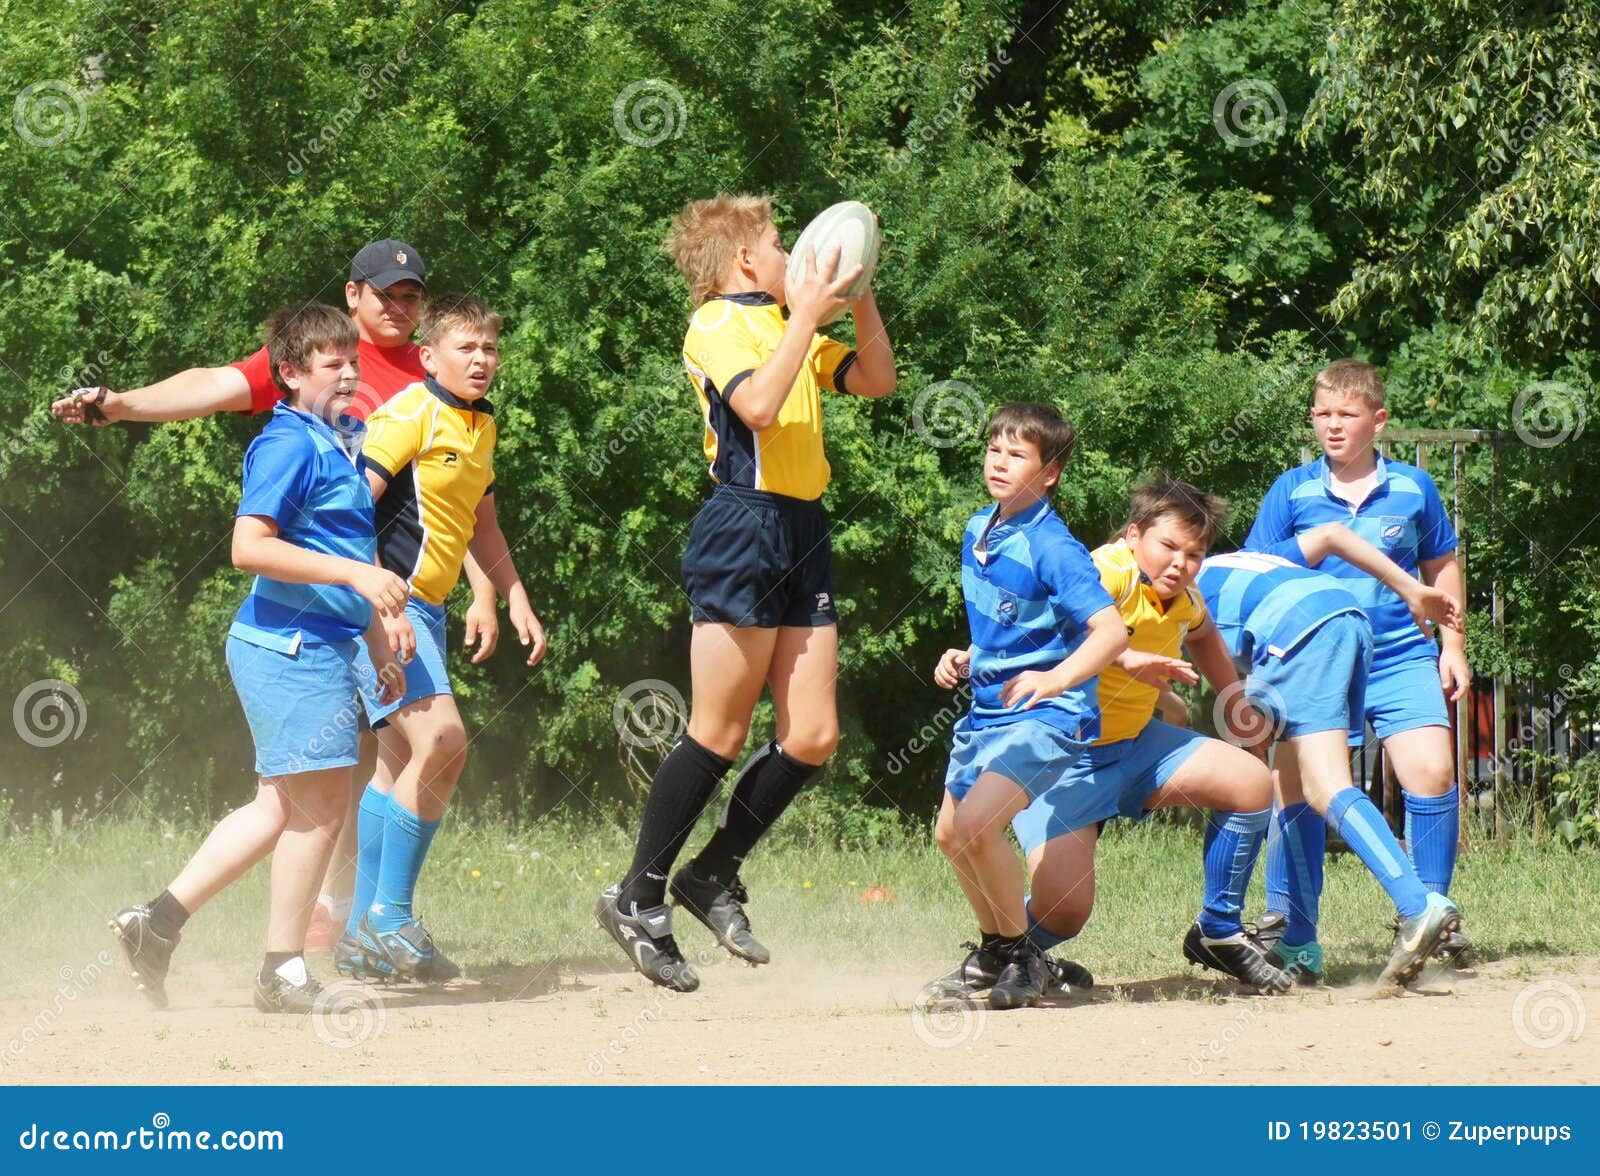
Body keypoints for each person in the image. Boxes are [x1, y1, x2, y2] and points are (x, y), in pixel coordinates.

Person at [55, 241, 501, 951]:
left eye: (411, 295)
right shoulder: (319, 356)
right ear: (353, 295)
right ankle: (340, 927)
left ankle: (290, 919)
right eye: (385, 293)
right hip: (332, 611)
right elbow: (215, 385)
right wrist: (124, 406)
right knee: (364, 771)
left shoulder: (429, 373)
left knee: (346, 774)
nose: (399, 306)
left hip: (373, 609)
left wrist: (483, 589)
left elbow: (453, 499)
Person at [596, 194, 897, 992]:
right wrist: (809, 317)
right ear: (743, 260)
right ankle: (637, 897)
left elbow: (877, 379)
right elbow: (757, 407)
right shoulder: (717, 324)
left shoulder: (790, 323)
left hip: (803, 529)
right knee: (719, 732)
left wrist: (859, 292)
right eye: (778, 243)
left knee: (815, 734)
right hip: (744, 527)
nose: (792, 255)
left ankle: (710, 873)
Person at [108, 302, 413, 1011]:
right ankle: (281, 970)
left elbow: (347, 548)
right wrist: (358, 580)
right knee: (321, 809)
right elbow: (249, 547)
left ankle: (156, 923)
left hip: (319, 645)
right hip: (289, 649)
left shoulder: (341, 438)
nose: (349, 374)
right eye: (331, 363)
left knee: (280, 806)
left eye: (352, 361)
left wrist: (376, 639)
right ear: (290, 374)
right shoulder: (288, 444)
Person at [951, 480, 1293, 996]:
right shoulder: (1107, 570)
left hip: (1136, 746)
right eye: (1168, 546)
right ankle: (1011, 955)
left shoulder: (1185, 597)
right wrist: (972, 654)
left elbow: (1202, 633)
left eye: (1194, 554)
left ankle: (1218, 930)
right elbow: (1046, 623)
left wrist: (1234, 700)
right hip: (1064, 760)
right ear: (1133, 536)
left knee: (1250, 782)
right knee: (1065, 911)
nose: (1180, 563)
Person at [346, 293, 546, 982]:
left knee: (394, 765)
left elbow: (481, 524)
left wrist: (511, 594)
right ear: (429, 357)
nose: (482, 359)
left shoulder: (480, 423)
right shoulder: (408, 414)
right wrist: (381, 604)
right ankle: (389, 919)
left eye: (490, 347)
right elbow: (349, 511)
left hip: (425, 609)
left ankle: (359, 935)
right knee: (444, 741)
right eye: (467, 348)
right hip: (383, 610)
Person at [1245, 359, 1471, 963]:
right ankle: (1294, 937)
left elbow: (1442, 566)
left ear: (1378, 420)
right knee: (1298, 788)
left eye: (1346, 414)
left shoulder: (1414, 488)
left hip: (1398, 654)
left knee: (1433, 772)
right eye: (1322, 414)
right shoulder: (1290, 491)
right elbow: (1257, 576)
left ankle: (1429, 921)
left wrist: (1453, 646)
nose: (1332, 425)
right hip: (1313, 663)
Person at [1196, 525, 1467, 987]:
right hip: (1344, 615)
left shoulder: (1146, 594)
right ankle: (1299, 943)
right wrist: (1409, 588)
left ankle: (1419, 906)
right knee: (1294, 783)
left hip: (1298, 634)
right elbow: (1333, 536)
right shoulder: (1238, 563)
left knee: (1325, 785)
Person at [929, 403, 1128, 1010]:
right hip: (988, 711)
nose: (999, 462)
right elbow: (1012, 627)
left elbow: (1111, 634)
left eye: (1017, 455)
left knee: (976, 824)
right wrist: (966, 655)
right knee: (950, 834)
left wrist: (1054, 680)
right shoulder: (978, 529)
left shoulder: (1055, 546)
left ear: (1050, 473)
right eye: (994, 449)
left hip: (1049, 715)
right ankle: (998, 949)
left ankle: (1023, 956)